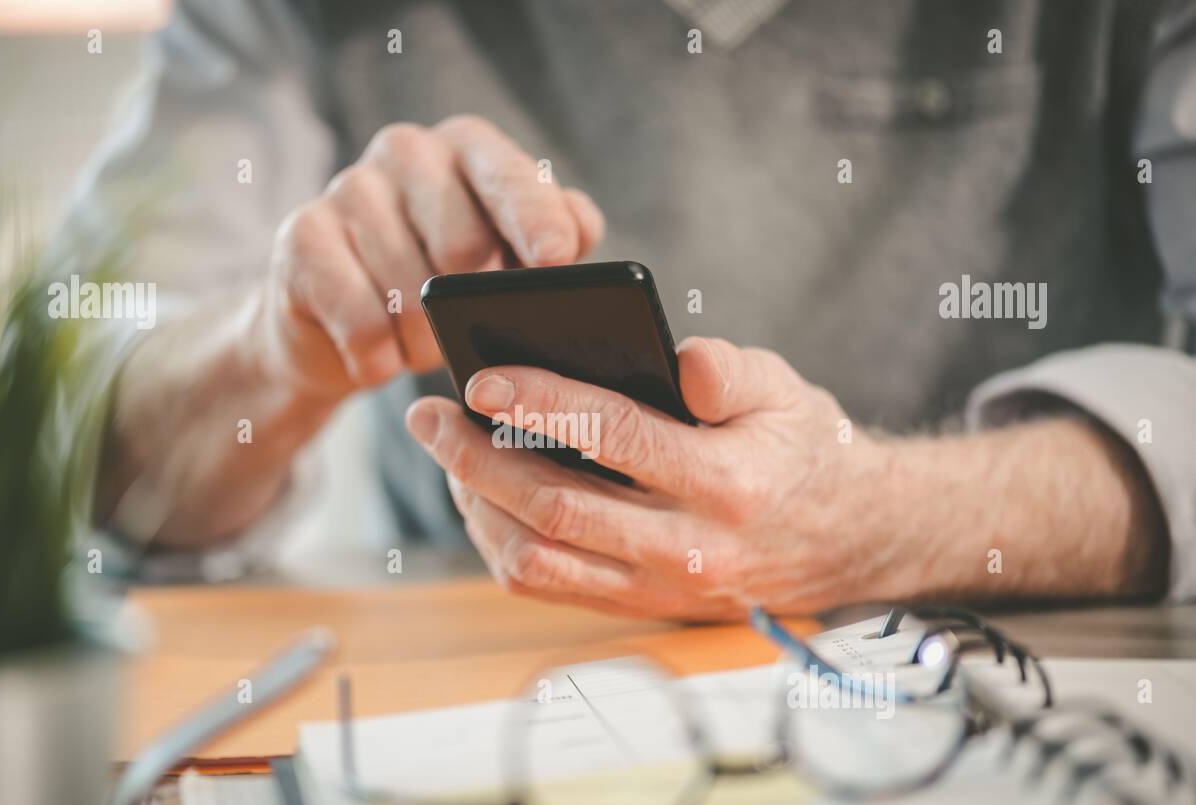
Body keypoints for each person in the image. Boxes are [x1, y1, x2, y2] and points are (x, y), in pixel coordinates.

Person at [60, 0, 1196, 618]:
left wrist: (881, 521)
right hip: (481, 713)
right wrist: (273, 351)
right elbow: (64, 440)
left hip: (1019, 700)